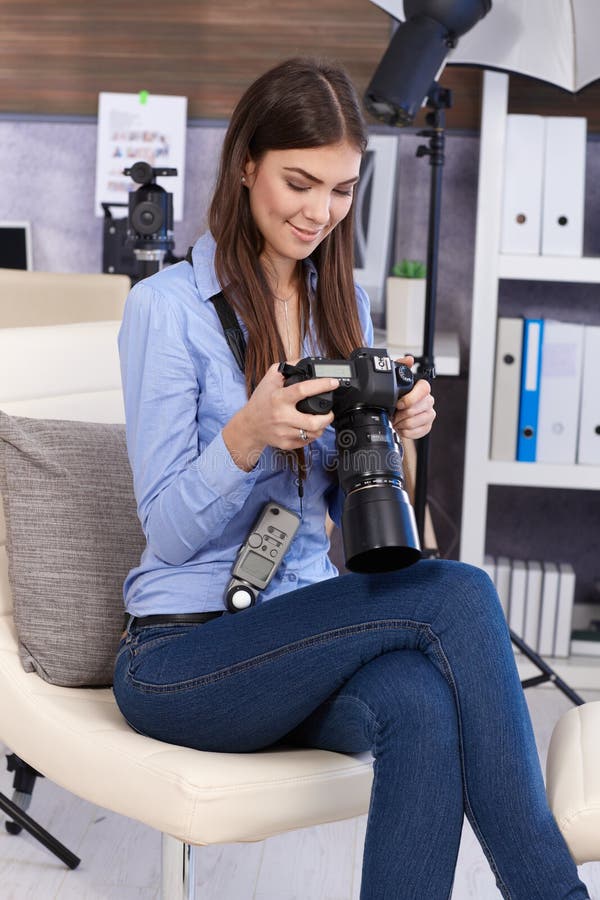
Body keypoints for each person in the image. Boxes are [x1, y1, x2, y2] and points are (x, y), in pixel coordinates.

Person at [113, 57, 589, 900]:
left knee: (422, 704)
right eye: (300, 181)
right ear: (246, 162)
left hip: (298, 629)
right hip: (183, 653)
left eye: (340, 191)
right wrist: (247, 436)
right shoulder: (168, 309)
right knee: (460, 591)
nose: (319, 212)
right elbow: (165, 529)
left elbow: (351, 515)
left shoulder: (346, 303)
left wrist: (398, 436)